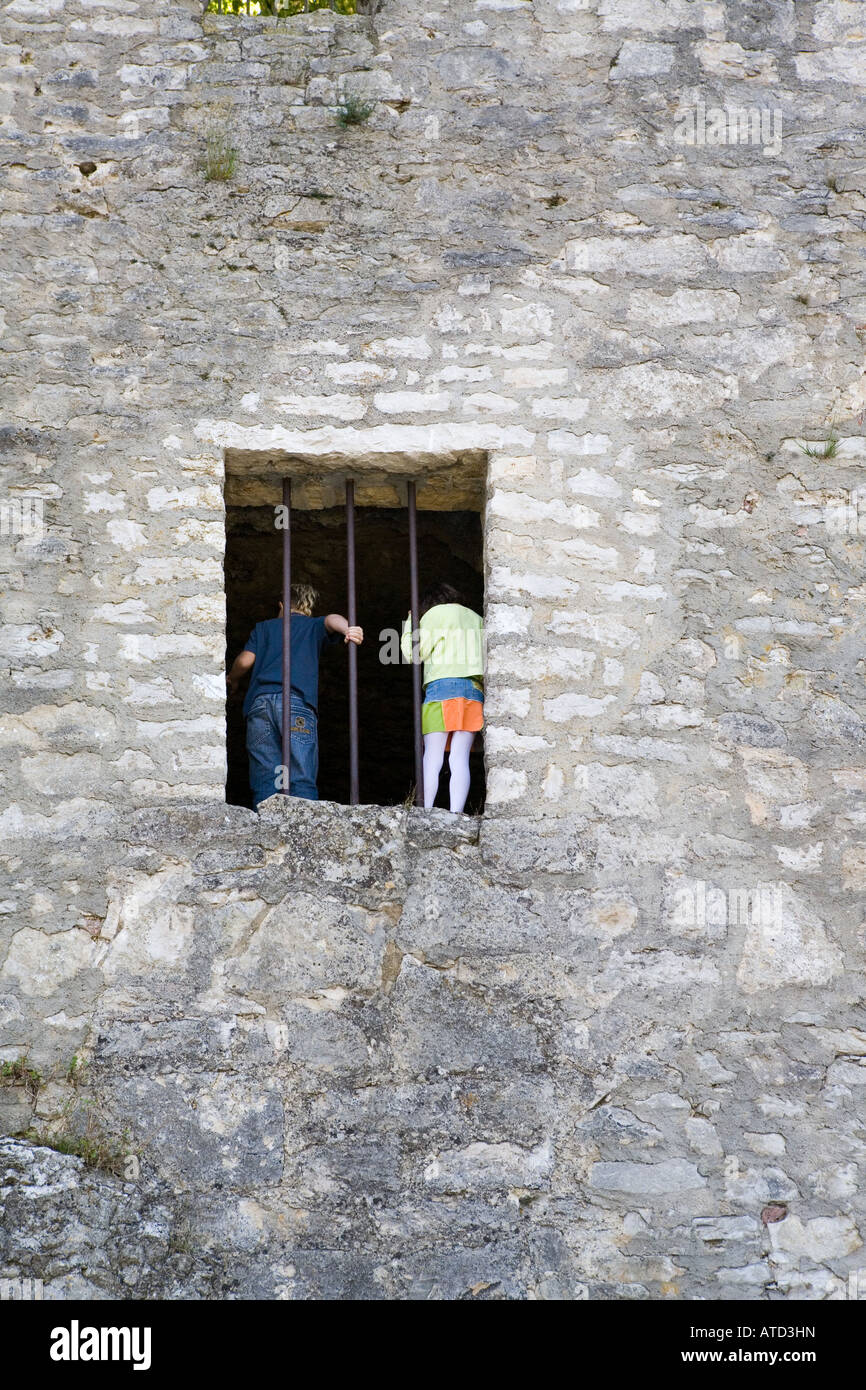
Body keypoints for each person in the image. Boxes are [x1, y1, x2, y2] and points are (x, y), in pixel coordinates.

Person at [227, 583, 363, 809]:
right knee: (300, 771)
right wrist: (348, 628)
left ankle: (266, 829)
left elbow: (244, 661)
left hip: (260, 704)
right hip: (295, 703)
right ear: (307, 608)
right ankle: (303, 830)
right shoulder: (313, 625)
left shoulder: (264, 628)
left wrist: (233, 678)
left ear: (281, 605)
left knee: (265, 775)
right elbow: (331, 619)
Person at [401, 581, 484, 814]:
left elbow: (412, 654)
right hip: (473, 690)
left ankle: (425, 810)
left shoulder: (432, 615)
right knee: (460, 757)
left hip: (441, 689)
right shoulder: (478, 619)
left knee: (433, 756)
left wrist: (411, 622)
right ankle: (456, 812)